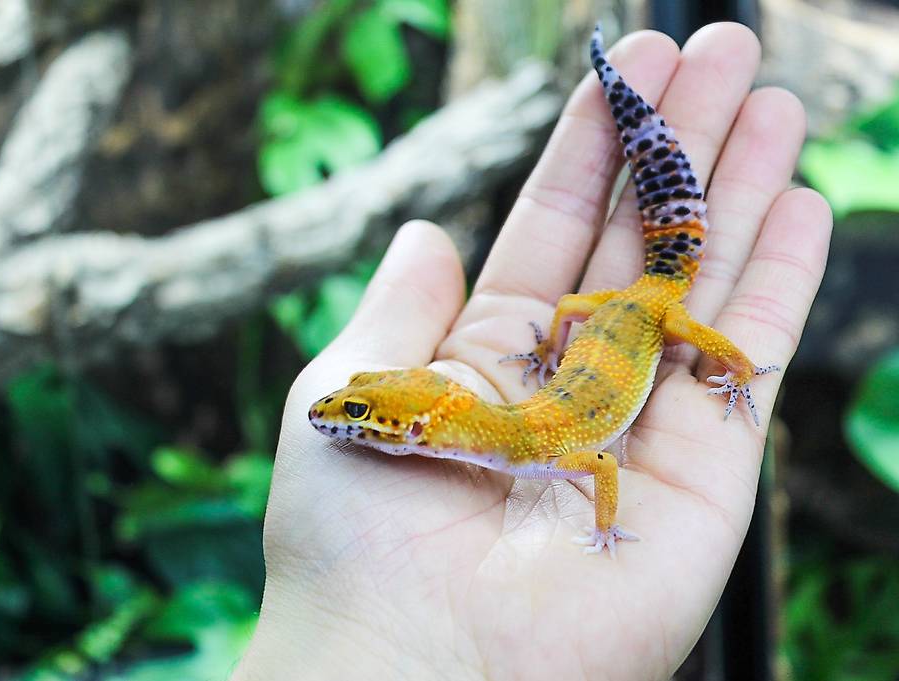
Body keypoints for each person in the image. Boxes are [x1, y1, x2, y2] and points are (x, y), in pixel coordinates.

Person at [232, 23, 832, 681]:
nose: (341, 419)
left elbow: (603, 466)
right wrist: (553, 345)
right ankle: (617, 89)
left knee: (674, 322)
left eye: (359, 409)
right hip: (607, 314)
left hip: (648, 306)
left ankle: (741, 362)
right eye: (360, 406)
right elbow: (583, 361)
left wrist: (610, 522)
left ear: (420, 425)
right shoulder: (505, 439)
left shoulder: (533, 452)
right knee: (586, 302)